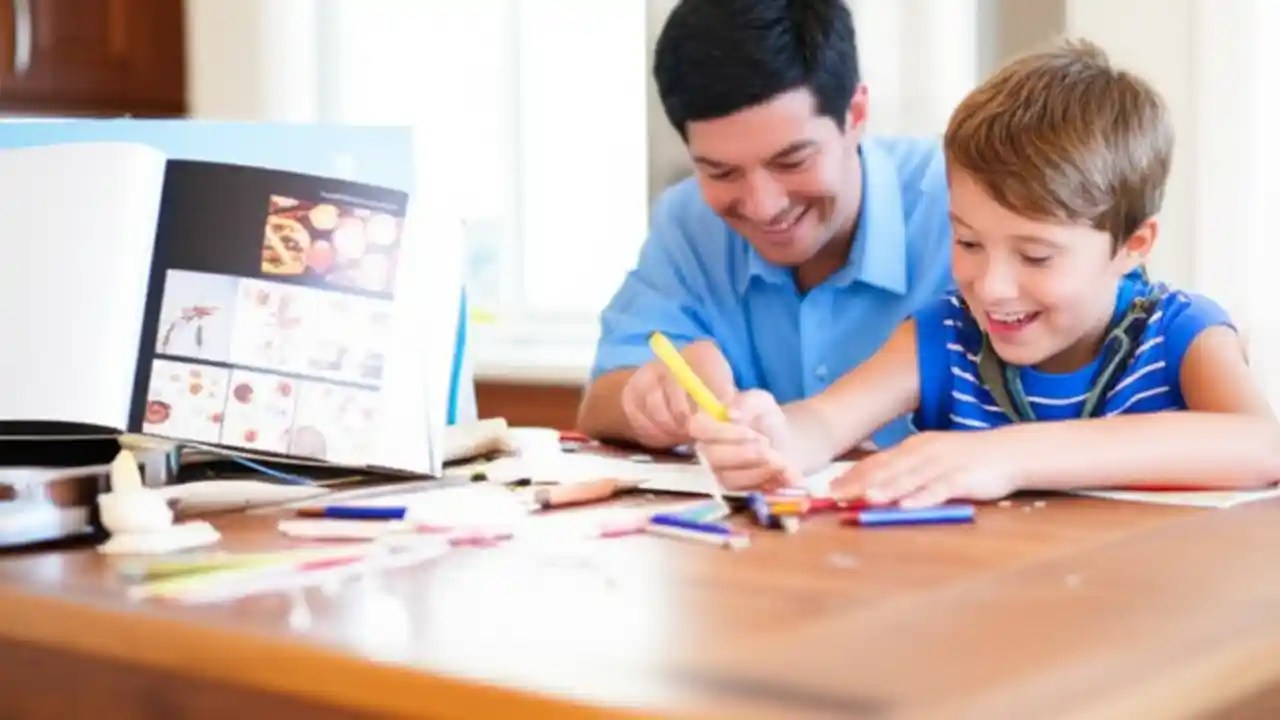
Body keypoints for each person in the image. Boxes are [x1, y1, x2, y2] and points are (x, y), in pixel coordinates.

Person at [688, 39, 1280, 505]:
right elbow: (820, 421)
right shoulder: (945, 337)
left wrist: (1007, 455)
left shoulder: (1181, 334)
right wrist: (767, 439)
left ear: (1133, 243)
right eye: (968, 241)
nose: (991, 288)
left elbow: (1262, 444)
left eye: (1036, 256)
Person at [575, 0, 954, 452]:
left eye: (792, 160)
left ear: (854, 115)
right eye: (721, 172)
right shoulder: (688, 222)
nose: (763, 206)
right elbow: (598, 405)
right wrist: (653, 401)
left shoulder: (965, 208)